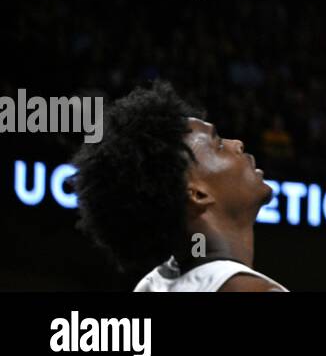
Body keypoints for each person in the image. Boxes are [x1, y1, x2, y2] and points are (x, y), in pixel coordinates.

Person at [72, 81, 287, 292]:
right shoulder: (251, 289)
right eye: (218, 145)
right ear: (198, 194)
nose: (237, 144)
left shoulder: (150, 285)